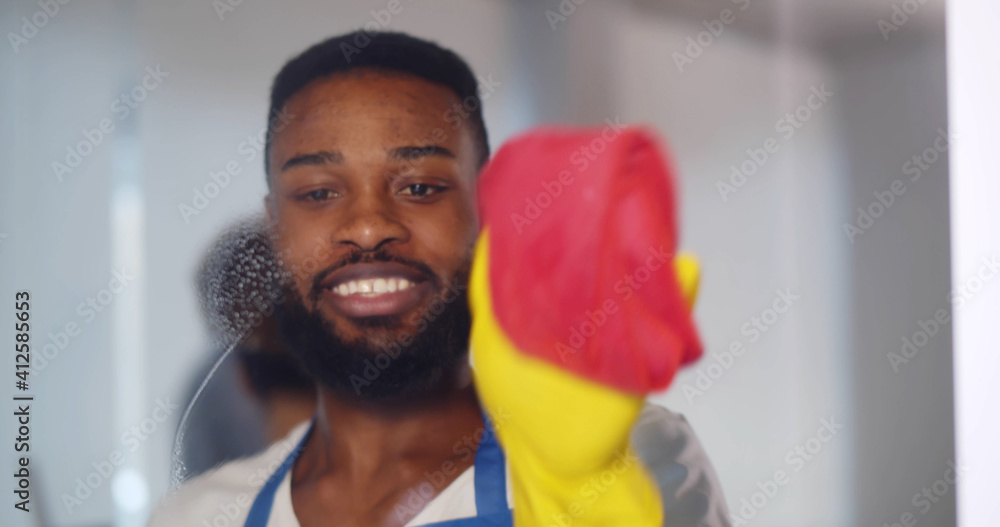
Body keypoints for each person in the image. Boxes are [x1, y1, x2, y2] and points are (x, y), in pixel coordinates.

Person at [149, 31, 730, 527]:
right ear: (275, 228)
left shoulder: (631, 455)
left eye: (420, 187)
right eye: (319, 193)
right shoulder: (197, 516)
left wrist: (580, 489)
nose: (370, 227)